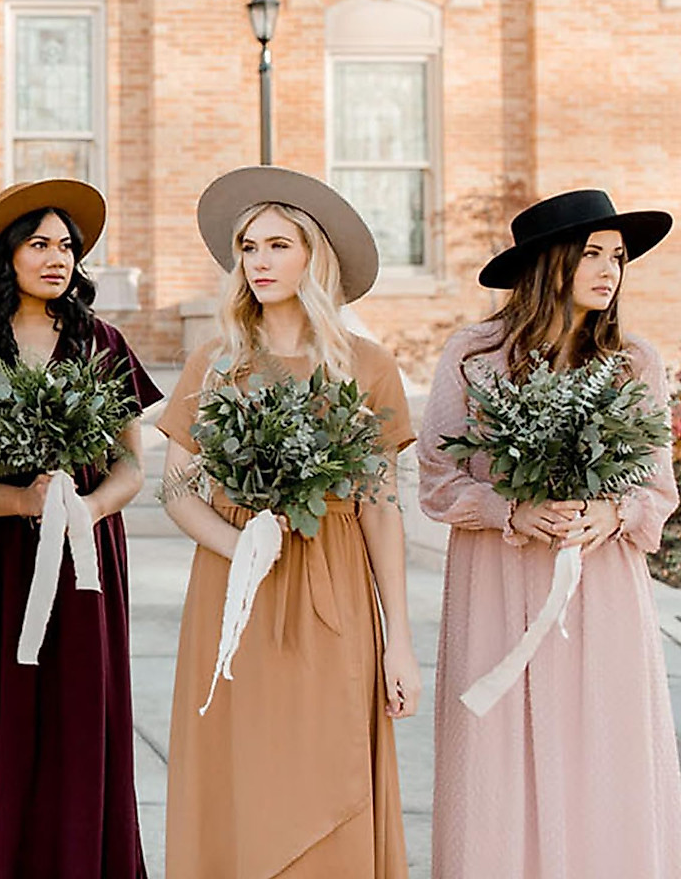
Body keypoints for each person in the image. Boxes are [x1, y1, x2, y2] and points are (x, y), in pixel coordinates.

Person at [158, 165, 420, 879]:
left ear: (314, 257)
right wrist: (240, 543)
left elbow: (381, 507)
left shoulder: (367, 366)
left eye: (279, 245)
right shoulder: (215, 364)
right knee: (242, 770)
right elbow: (176, 489)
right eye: (249, 247)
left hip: (333, 585)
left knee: (327, 761)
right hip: (234, 588)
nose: (260, 261)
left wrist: (399, 641)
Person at [417, 188, 681, 878]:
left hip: (600, 588)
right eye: (592, 254)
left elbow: (658, 488)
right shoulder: (474, 355)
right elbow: (436, 479)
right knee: (497, 756)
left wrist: (612, 514)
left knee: (602, 752)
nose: (609, 270)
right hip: (497, 583)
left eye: (617, 258)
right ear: (548, 263)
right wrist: (510, 510)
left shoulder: (635, 361)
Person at [0, 178, 162, 879]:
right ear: (7, 255)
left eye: (66, 247)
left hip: (85, 560)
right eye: (38, 244)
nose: (57, 259)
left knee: (80, 713)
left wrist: (88, 509)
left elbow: (132, 466)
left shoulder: (101, 342)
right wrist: (20, 501)